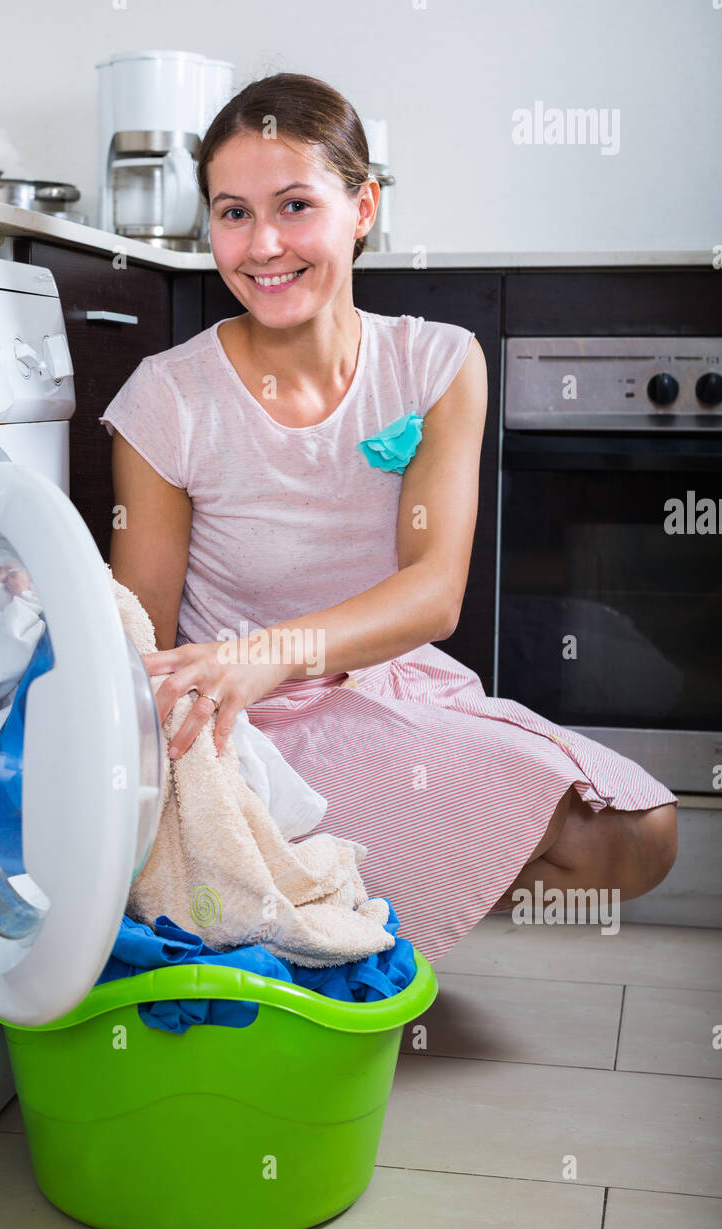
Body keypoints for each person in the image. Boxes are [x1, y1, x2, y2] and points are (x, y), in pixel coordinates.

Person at [99, 72, 677, 962]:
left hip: (384, 688)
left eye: (294, 205)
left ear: (362, 206)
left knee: (638, 834)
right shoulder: (166, 399)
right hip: (244, 726)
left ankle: (317, 915)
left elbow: (431, 595)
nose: (262, 246)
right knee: (240, 816)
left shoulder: (436, 362)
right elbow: (143, 635)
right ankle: (300, 912)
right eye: (232, 213)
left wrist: (271, 654)